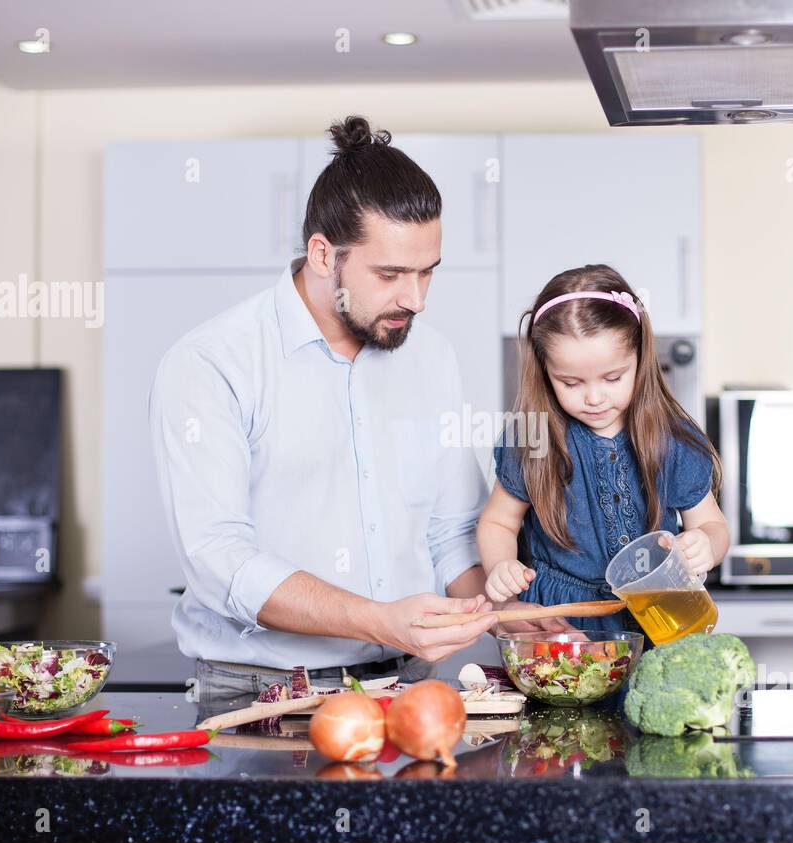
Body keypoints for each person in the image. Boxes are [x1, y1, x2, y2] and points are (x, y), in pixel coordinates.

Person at [150, 116, 548, 717]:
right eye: (390, 275)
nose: (414, 298)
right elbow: (219, 561)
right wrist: (379, 620)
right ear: (321, 254)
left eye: (427, 272)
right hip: (264, 694)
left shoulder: (431, 357)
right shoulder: (212, 362)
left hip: (410, 686)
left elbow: (449, 533)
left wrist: (515, 624)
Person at [477, 264, 730, 638]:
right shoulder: (532, 439)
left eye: (613, 378)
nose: (594, 397)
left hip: (657, 615)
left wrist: (707, 545)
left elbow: (712, 524)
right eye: (570, 382)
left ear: (640, 361)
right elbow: (498, 522)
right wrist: (500, 564)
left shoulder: (670, 438)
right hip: (561, 621)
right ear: (545, 371)